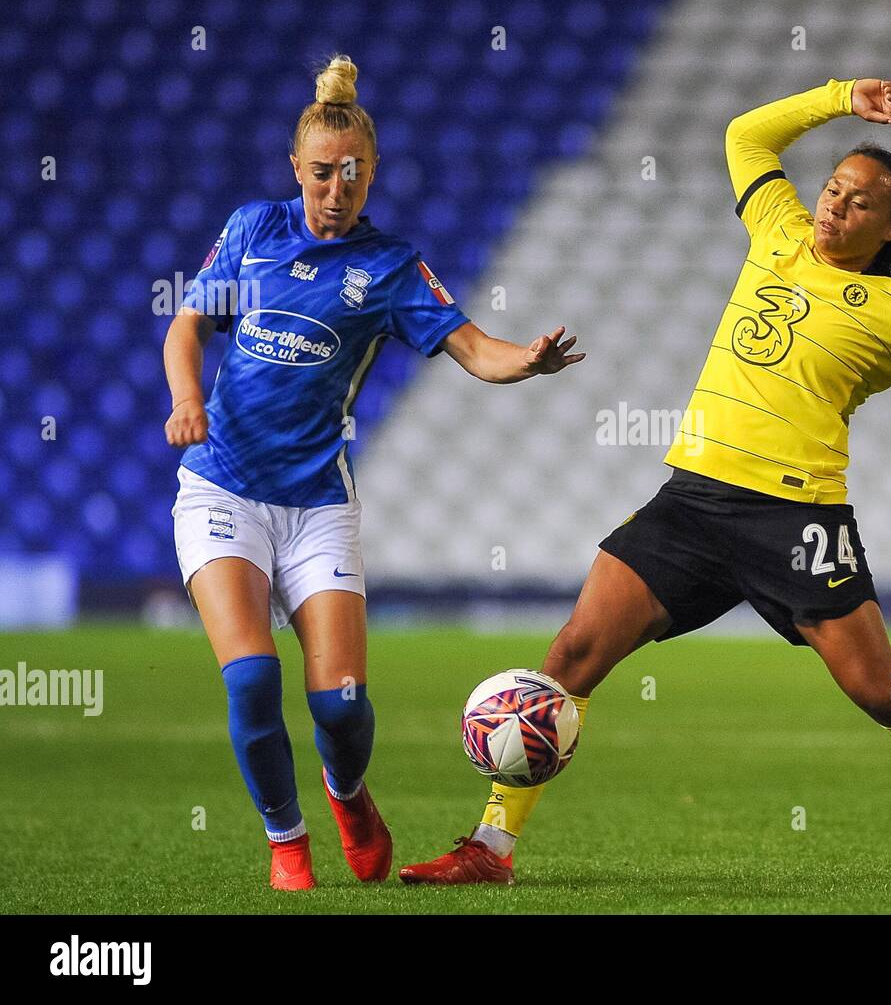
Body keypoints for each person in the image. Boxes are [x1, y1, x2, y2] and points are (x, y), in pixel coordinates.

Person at [398, 77, 891, 888]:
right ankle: (490, 849)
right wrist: (844, 94)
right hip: (694, 499)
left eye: (858, 203)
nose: (834, 207)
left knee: (882, 694)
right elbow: (746, 134)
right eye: (833, 187)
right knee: (571, 654)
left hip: (797, 518)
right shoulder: (777, 230)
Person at [163, 55, 584, 890]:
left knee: (342, 708)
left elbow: (473, 349)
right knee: (252, 678)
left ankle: (347, 792)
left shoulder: (390, 265)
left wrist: (526, 361)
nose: (335, 189)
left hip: (318, 503)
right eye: (321, 173)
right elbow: (185, 327)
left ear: (371, 174)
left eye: (351, 175)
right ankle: (287, 841)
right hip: (223, 490)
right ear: (297, 168)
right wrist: (185, 399)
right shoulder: (252, 229)